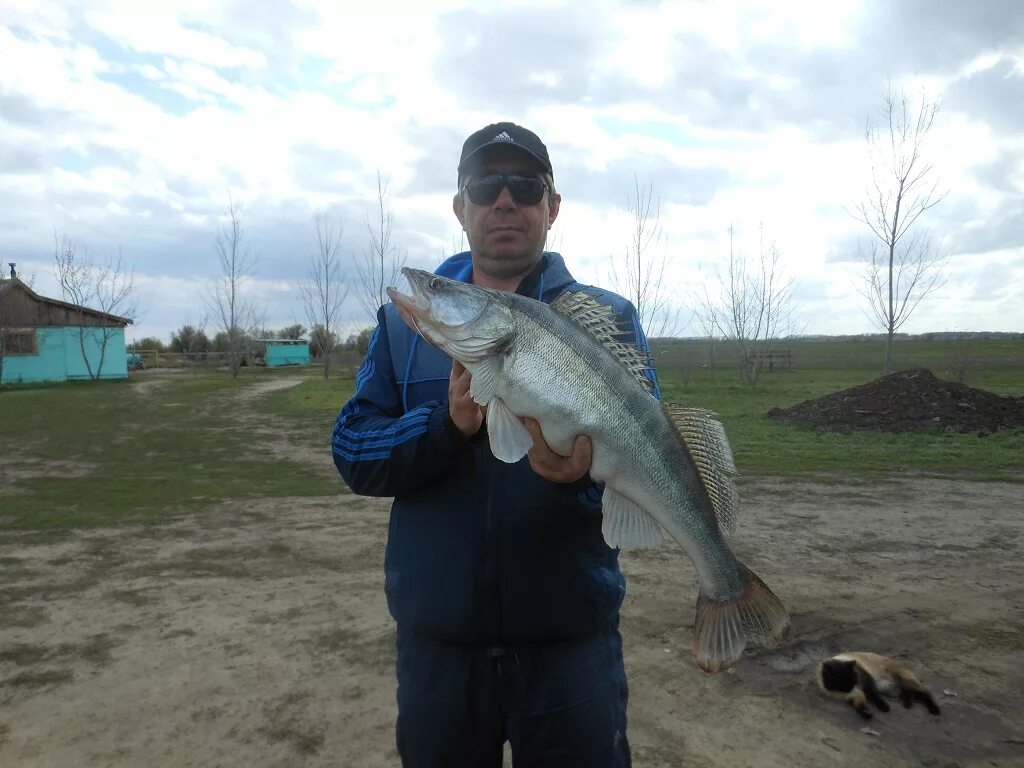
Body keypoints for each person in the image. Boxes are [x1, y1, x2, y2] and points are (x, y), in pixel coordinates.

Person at [332, 122, 658, 767]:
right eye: (485, 185)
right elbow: (355, 452)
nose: (504, 200)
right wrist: (444, 429)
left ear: (551, 207)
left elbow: (642, 460)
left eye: (525, 185)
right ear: (461, 207)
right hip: (439, 652)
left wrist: (577, 486)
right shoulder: (406, 328)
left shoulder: (606, 318)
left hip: (571, 647)